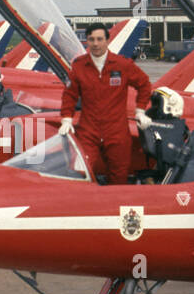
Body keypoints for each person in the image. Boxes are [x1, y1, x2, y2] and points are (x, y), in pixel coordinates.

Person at [59, 23, 153, 186]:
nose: (95, 44)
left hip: (116, 130)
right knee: (81, 171)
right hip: (89, 130)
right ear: (86, 42)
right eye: (91, 39)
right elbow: (70, 94)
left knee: (119, 176)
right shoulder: (79, 66)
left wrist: (140, 110)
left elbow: (144, 84)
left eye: (99, 39)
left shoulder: (122, 65)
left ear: (107, 41)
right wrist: (66, 119)